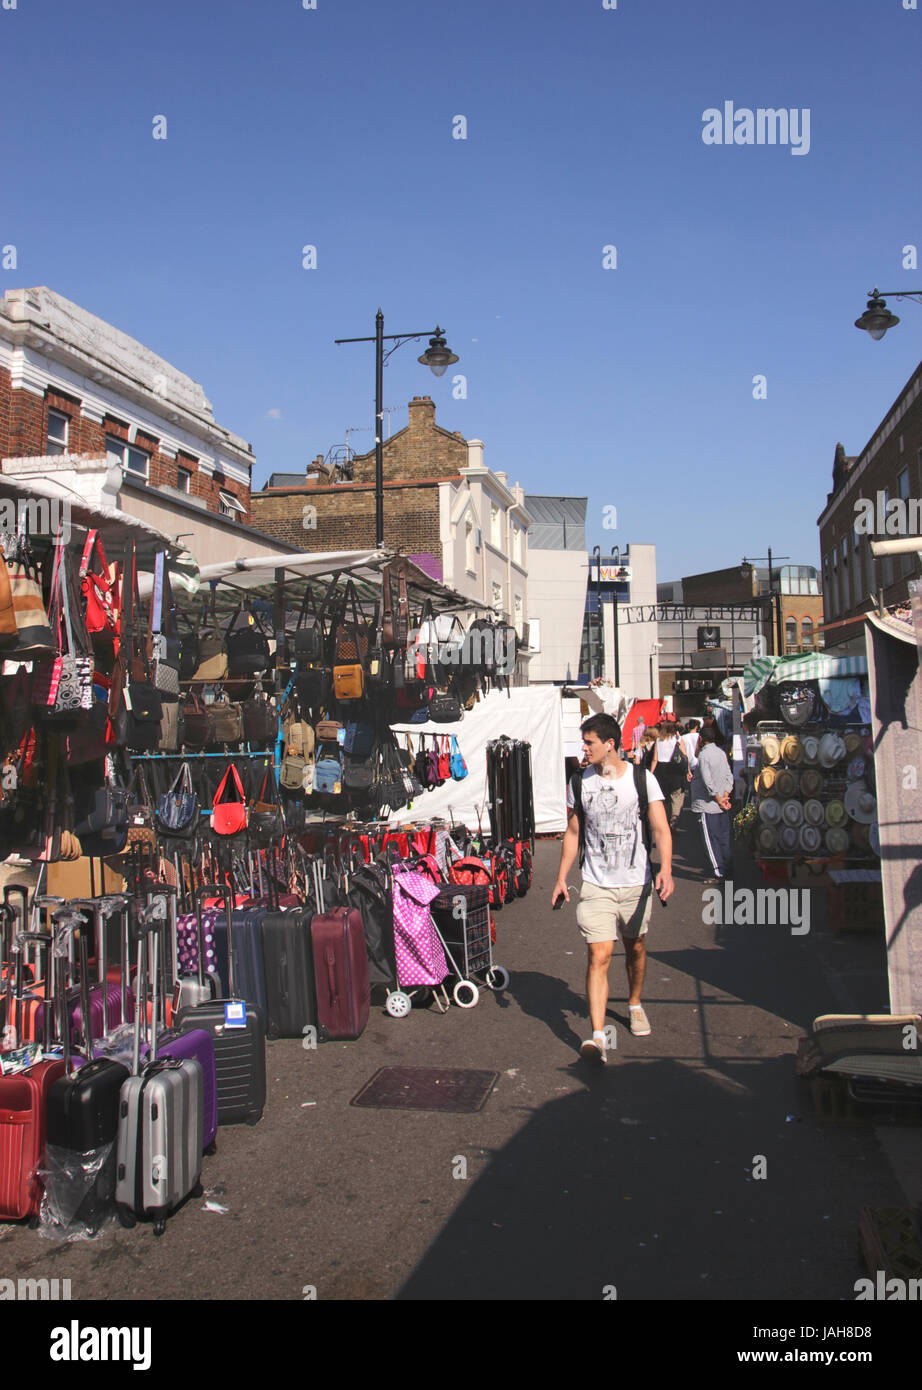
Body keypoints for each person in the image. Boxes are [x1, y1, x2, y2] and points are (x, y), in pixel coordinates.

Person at [552, 713, 674, 1063]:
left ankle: (634, 1002)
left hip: (636, 882)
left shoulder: (642, 779)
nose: (583, 748)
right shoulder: (579, 782)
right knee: (599, 954)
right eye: (583, 742)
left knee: (635, 948)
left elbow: (661, 828)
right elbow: (573, 834)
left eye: (589, 742)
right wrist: (562, 877)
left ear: (610, 744)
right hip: (596, 884)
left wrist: (665, 869)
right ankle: (598, 1038)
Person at [689, 723, 734, 881]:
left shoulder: (703, 755)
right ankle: (726, 867)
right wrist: (725, 795)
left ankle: (718, 872)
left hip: (708, 805)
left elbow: (708, 781)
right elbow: (729, 775)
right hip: (722, 802)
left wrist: (717, 798)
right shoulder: (721, 753)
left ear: (701, 739)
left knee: (711, 840)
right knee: (723, 838)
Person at [652, 721, 690, 829]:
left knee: (664, 798)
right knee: (676, 797)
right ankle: (674, 820)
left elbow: (655, 759)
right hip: (675, 770)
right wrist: (688, 771)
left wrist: (651, 773)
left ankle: (663, 820)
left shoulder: (658, 740)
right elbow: (684, 756)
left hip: (661, 770)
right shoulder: (677, 740)